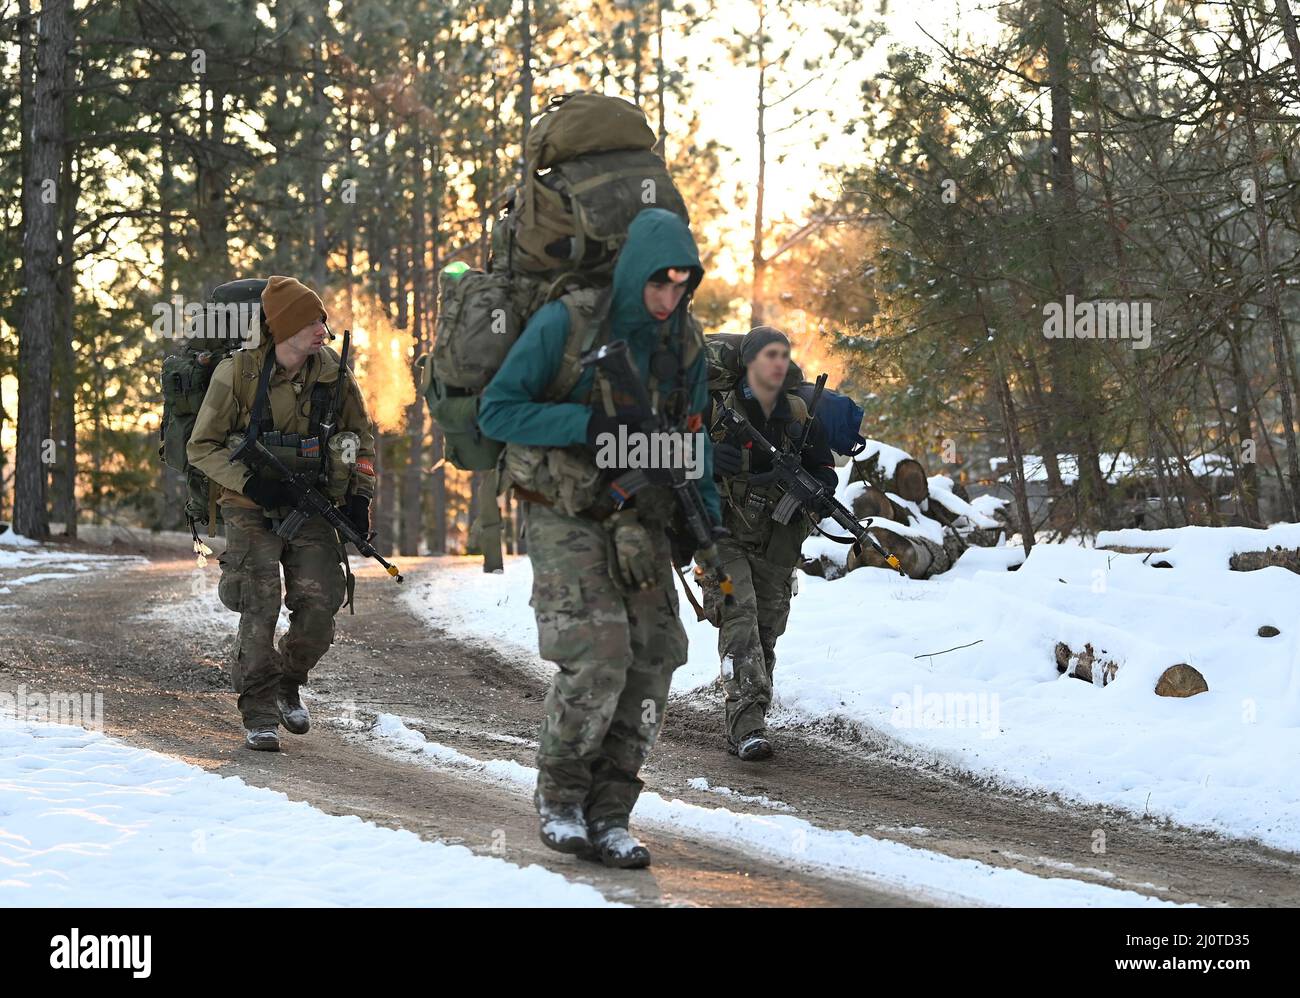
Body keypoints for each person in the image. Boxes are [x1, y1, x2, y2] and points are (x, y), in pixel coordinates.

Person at [478, 208, 719, 868]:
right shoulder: (571, 322)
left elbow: (695, 441)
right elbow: (497, 409)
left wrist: (709, 530)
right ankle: (560, 799)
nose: (668, 300)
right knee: (600, 652)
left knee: (655, 659)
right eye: (657, 285)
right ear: (635, 272)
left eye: (681, 287)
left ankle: (610, 814)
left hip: (638, 511)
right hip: (562, 506)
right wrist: (582, 424)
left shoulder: (683, 346)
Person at [188, 276, 376, 752]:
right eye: (313, 321)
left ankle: (289, 678)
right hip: (249, 503)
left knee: (321, 604)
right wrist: (251, 482)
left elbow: (362, 439)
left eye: (322, 320)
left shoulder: (333, 373)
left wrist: (360, 498)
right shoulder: (238, 374)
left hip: (311, 500)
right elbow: (202, 447)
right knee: (259, 604)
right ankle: (258, 709)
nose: (322, 329)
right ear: (287, 326)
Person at [705, 325, 837, 761]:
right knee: (737, 613)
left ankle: (751, 713)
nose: (778, 363)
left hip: (775, 540)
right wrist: (703, 456)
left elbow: (825, 470)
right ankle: (745, 726)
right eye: (768, 355)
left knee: (765, 632)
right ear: (748, 363)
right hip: (721, 538)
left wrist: (812, 488)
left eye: (784, 355)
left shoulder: (798, 413)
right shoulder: (715, 407)